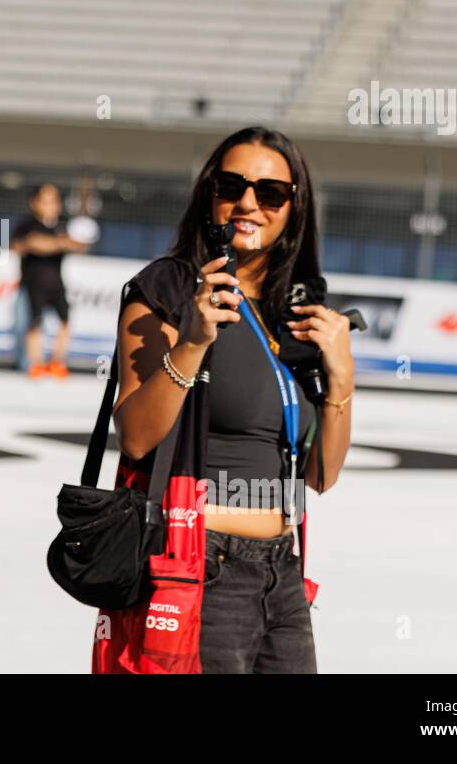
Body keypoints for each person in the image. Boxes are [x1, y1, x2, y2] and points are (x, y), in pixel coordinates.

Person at [110, 125, 355, 673]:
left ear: (294, 207)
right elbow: (136, 436)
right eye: (231, 186)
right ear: (208, 193)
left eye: (270, 193)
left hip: (283, 573)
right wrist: (194, 339)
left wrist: (341, 380)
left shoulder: (291, 312)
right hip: (198, 565)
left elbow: (320, 475)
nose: (248, 203)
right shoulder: (168, 289)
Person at [10, 183, 88, 379]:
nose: (49, 205)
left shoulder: (63, 225)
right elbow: (32, 243)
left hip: (56, 282)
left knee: (65, 322)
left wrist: (70, 242)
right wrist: (61, 243)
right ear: (34, 203)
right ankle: (34, 363)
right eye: (44, 201)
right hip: (33, 283)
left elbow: (80, 245)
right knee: (33, 324)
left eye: (53, 201)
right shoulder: (27, 224)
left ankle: (56, 362)